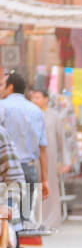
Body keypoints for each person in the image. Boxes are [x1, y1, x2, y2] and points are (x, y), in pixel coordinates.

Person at [0, 72, 48, 201]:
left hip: (7, 173)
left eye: (3, 85)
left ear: (10, 87)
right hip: (30, 170)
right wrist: (44, 179)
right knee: (26, 217)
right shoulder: (36, 111)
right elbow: (43, 148)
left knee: (8, 215)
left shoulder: (2, 107)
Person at [29, 87, 64, 230]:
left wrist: (64, 160)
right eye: (33, 98)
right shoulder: (29, 114)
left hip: (51, 155)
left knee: (51, 187)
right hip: (34, 156)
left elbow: (61, 138)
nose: (35, 100)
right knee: (35, 186)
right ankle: (36, 220)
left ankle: (52, 220)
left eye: (38, 97)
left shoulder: (54, 116)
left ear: (45, 99)